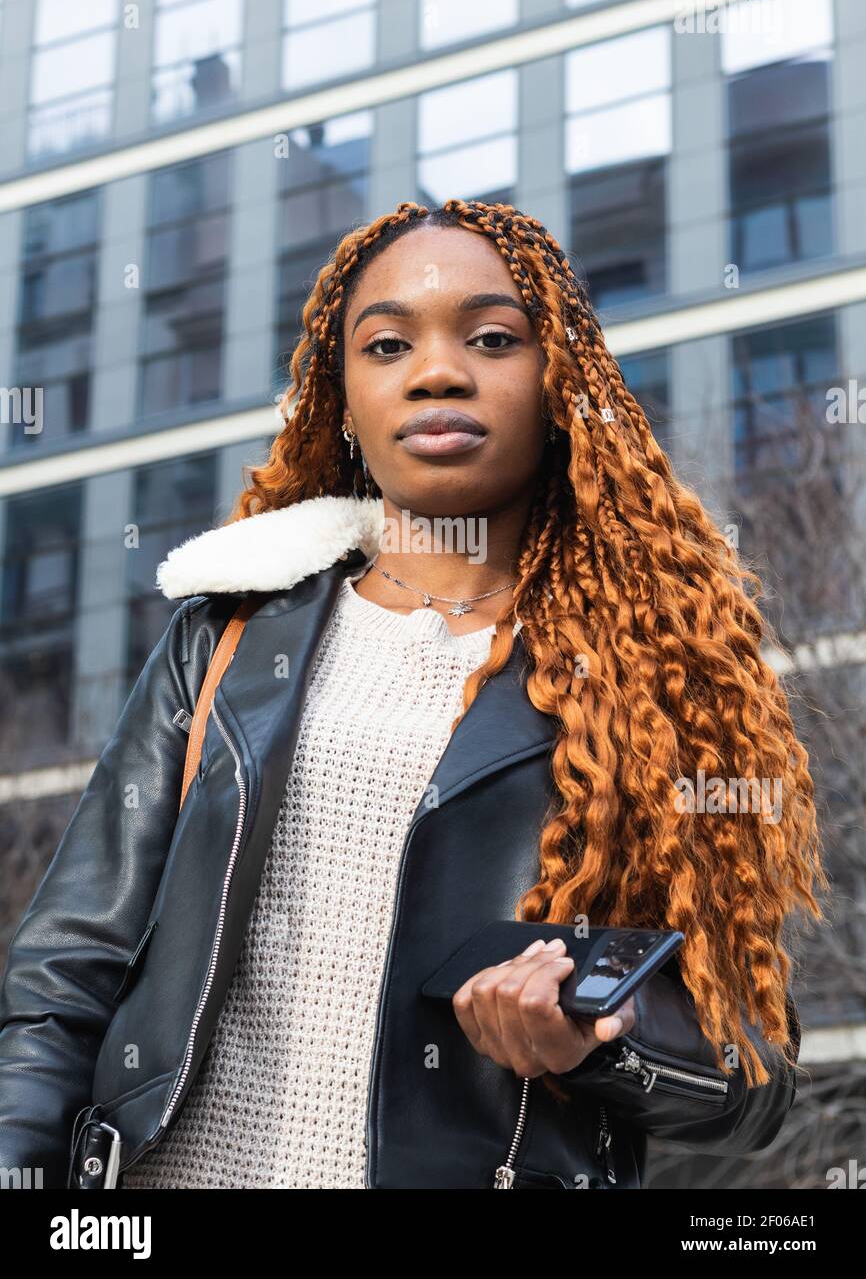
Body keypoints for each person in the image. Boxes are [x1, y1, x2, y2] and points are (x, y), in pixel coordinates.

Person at [0, 199, 824, 1190]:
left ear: (555, 378)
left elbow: (753, 1069)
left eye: (489, 337)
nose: (436, 371)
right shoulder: (223, 638)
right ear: (341, 397)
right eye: (386, 344)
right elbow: (66, 972)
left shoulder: (656, 677)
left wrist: (596, 1038)